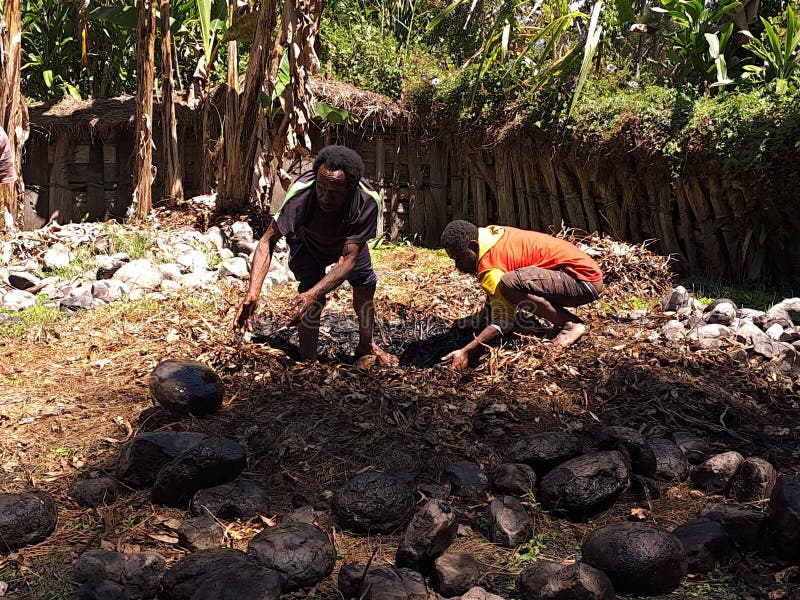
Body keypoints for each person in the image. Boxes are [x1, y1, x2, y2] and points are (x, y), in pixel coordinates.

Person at [234, 145, 398, 366]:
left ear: (350, 188)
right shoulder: (301, 194)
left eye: (335, 190)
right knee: (311, 298)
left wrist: (313, 293)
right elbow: (266, 242)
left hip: (346, 245)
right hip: (306, 243)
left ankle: (366, 344)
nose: (325, 196)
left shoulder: (367, 200)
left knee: (365, 285)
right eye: (322, 187)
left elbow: (349, 259)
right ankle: (308, 361)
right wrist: (253, 293)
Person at [439, 220, 603, 371]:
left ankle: (569, 325)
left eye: (460, 259)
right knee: (508, 284)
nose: (457, 266)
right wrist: (482, 317)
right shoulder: (489, 235)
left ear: (473, 247)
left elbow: (503, 323)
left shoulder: (490, 266)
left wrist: (467, 351)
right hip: (580, 274)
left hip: (582, 282)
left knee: (509, 284)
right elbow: (496, 295)